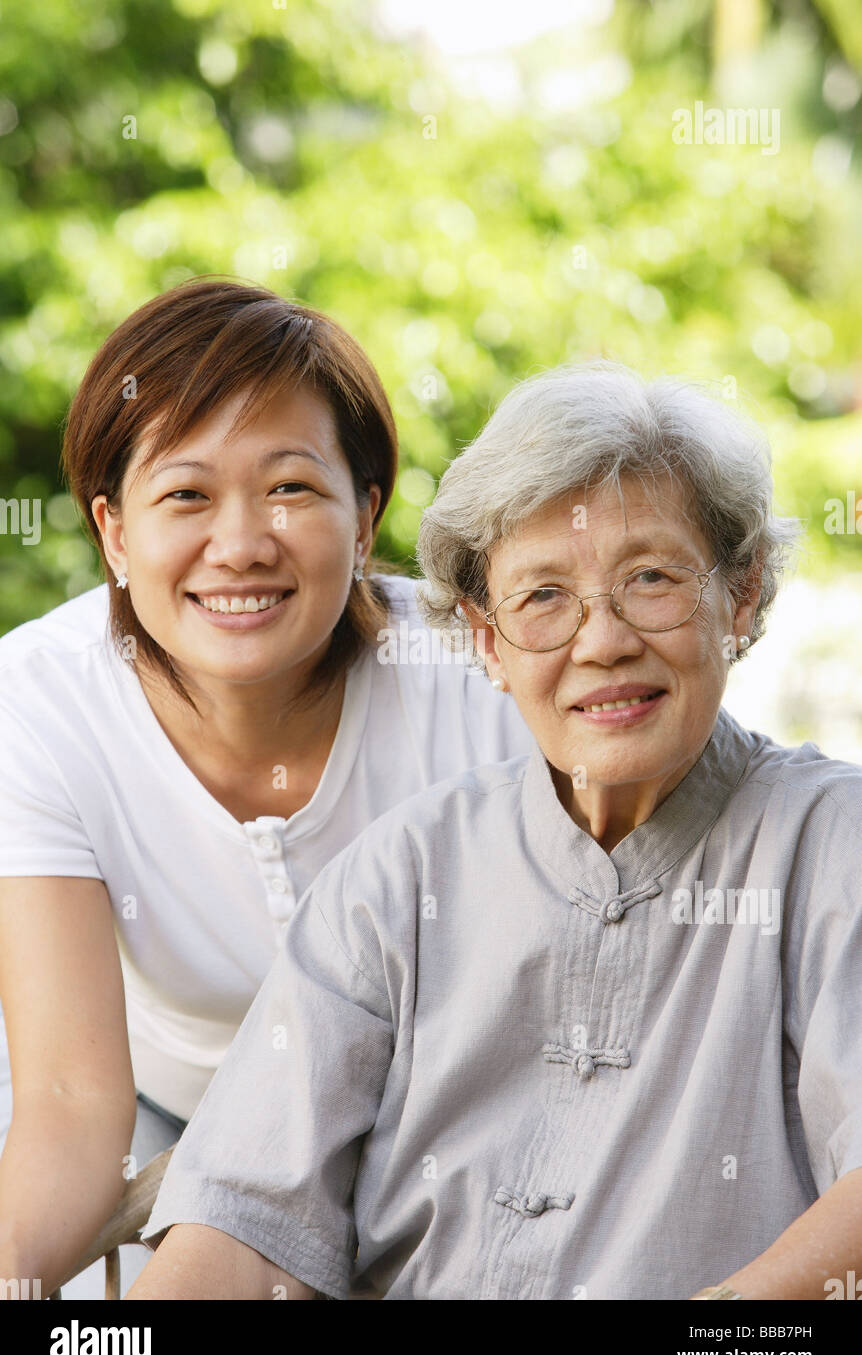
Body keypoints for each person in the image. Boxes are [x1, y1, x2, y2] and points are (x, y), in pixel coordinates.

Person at [130, 361, 862, 1301]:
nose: (601, 641)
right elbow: (241, 1222)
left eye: (651, 578)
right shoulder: (399, 875)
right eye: (543, 597)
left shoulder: (831, 845)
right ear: (485, 640)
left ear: (744, 595)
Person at [0, 278, 532, 1299]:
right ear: (114, 534)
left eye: (290, 487)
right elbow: (70, 1096)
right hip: (157, 1114)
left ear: (366, 513)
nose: (239, 544)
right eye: (185, 495)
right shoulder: (39, 704)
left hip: (430, 1126)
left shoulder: (478, 674)